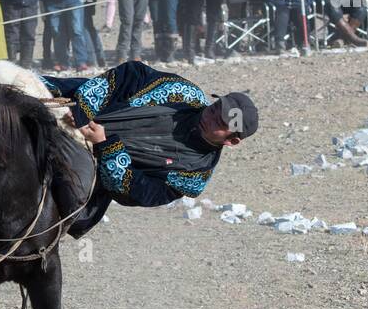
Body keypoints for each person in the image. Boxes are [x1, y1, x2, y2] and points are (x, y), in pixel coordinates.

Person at [41, 60, 258, 236]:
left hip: (79, 176)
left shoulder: (193, 176)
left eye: (219, 123)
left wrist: (105, 145)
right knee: (11, 83)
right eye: (215, 108)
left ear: (232, 141)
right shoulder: (184, 93)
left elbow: (135, 192)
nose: (209, 117)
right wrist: (84, 109)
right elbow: (131, 73)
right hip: (68, 106)